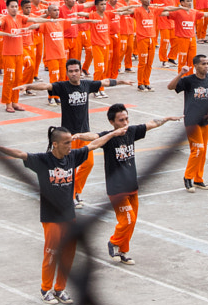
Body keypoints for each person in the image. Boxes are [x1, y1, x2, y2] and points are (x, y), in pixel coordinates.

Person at [0, 125, 127, 304]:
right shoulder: (43, 160)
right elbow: (20, 154)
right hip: (51, 217)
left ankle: (60, 289)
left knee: (68, 254)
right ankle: (46, 289)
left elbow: (93, 145)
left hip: (69, 216)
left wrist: (114, 133)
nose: (70, 145)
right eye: (67, 143)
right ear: (55, 144)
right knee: (51, 254)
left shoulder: (72, 157)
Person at [76, 103, 181, 264]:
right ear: (112, 122)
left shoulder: (131, 132)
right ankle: (114, 242)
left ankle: (123, 251)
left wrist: (166, 118)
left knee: (131, 222)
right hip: (117, 189)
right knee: (128, 219)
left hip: (132, 185)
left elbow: (151, 124)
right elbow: (94, 137)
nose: (125, 123)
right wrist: (78, 136)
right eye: (121, 120)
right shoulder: (108, 138)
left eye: (126, 119)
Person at [26, 59, 133, 207]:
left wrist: (122, 81)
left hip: (85, 134)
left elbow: (105, 82)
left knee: (88, 163)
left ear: (81, 71)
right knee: (66, 168)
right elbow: (46, 85)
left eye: (76, 70)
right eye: (71, 71)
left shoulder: (86, 85)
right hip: (68, 136)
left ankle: (75, 191)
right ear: (67, 73)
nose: (74, 73)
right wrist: (27, 85)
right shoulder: (62, 87)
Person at [167, 54, 208, 192]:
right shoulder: (189, 80)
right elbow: (170, 87)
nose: (206, 66)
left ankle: (199, 179)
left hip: (204, 119)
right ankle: (188, 177)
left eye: (207, 63)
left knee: (203, 151)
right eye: (203, 64)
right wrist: (180, 74)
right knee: (198, 149)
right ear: (196, 66)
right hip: (192, 120)